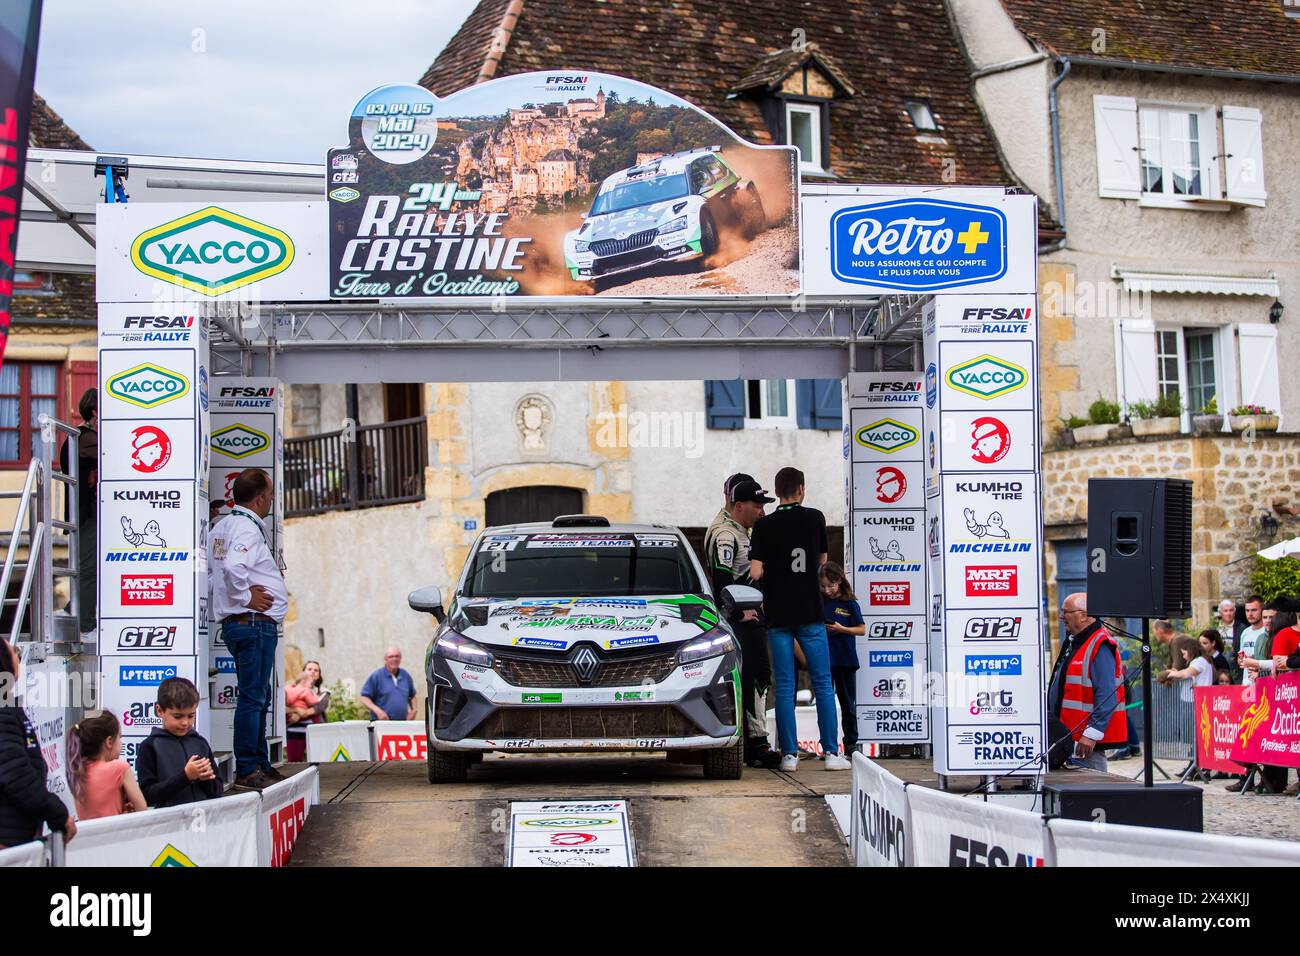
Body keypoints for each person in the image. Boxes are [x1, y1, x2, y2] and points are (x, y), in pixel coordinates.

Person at [748, 466, 848, 772]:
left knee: (787, 686)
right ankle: (832, 753)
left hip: (778, 614)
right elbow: (821, 563)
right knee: (822, 683)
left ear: (776, 492)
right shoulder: (815, 518)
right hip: (810, 612)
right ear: (801, 489)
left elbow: (755, 572)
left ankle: (789, 755)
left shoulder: (765, 526)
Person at [211, 468, 288, 791]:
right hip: (253, 623)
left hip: (242, 624)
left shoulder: (223, 525)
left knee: (257, 696)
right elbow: (231, 566)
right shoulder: (245, 528)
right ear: (260, 498)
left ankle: (258, 761)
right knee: (253, 697)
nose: (271, 500)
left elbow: (218, 563)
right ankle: (247, 767)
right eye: (270, 495)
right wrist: (246, 597)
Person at [703, 476, 780, 769]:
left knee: (755, 678)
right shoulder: (725, 533)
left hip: (746, 618)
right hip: (742, 622)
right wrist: (738, 613)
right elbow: (722, 580)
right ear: (739, 505)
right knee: (755, 677)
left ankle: (754, 741)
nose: (761, 511)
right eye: (757, 505)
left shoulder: (739, 530)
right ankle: (757, 744)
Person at [0, 638, 76, 848]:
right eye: (12, 652)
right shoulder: (3, 713)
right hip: (8, 843)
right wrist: (58, 814)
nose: (17, 655)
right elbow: (16, 775)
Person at [1046, 593, 1127, 771]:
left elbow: (1107, 694)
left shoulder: (1100, 644)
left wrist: (1091, 734)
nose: (1061, 617)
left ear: (1083, 615)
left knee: (1093, 791)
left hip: (1084, 744)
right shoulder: (1076, 642)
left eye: (1066, 612)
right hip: (1069, 738)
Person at [134, 677, 223, 808]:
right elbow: (147, 796)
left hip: (203, 823)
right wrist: (185, 776)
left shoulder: (200, 743)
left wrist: (206, 779)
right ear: (159, 710)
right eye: (177, 716)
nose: (185, 722)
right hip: (168, 825)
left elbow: (217, 790)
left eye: (190, 716)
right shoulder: (150, 746)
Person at [58, 387, 97, 635]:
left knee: (89, 566)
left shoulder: (83, 436)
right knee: (89, 567)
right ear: (95, 411)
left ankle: (75, 610)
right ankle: (84, 622)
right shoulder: (85, 438)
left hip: (87, 511)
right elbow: (121, 453)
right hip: (86, 513)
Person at [66, 712, 147, 820]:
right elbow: (142, 809)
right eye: (120, 737)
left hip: (86, 835)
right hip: (114, 835)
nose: (121, 742)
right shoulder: (120, 768)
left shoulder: (78, 770)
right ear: (109, 742)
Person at [819, 563, 863, 757]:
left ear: (839, 581)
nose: (827, 590)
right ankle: (829, 746)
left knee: (848, 704)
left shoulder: (850, 603)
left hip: (845, 659)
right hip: (824, 660)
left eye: (830, 585)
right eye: (823, 586)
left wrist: (842, 629)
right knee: (824, 703)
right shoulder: (818, 602)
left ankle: (851, 744)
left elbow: (861, 629)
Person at [361, 647, 417, 721]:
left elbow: (412, 696)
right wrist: (378, 711)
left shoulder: (405, 675)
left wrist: (414, 710)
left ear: (400, 658)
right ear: (385, 659)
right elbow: (364, 698)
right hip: (381, 725)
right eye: (391, 657)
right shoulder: (377, 676)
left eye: (397, 656)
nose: (394, 659)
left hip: (402, 724)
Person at [1238, 597, 1268, 686]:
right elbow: (1241, 654)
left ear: (1262, 610)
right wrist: (1240, 660)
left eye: (1254, 610)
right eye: (1247, 611)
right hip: (1247, 682)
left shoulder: (1267, 631)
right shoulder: (1245, 632)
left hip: (1264, 681)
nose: (1250, 614)